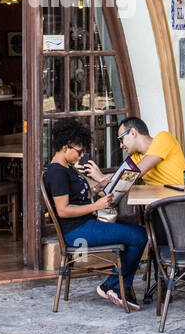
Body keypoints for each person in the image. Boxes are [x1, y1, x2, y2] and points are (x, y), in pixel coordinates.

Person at [44, 117, 147, 310]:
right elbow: (63, 210)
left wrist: (96, 187)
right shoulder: (57, 172)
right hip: (76, 232)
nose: (81, 156)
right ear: (65, 147)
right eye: (79, 151)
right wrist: (96, 206)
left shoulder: (68, 169)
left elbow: (79, 196)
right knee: (139, 236)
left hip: (85, 225)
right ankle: (115, 286)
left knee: (138, 233)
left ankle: (114, 285)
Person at [83, 116, 185, 191]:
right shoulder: (136, 157)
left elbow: (133, 174)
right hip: (159, 206)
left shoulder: (163, 138)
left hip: (179, 202)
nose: (121, 146)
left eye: (121, 139)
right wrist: (103, 177)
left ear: (133, 132)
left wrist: (101, 178)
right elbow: (122, 175)